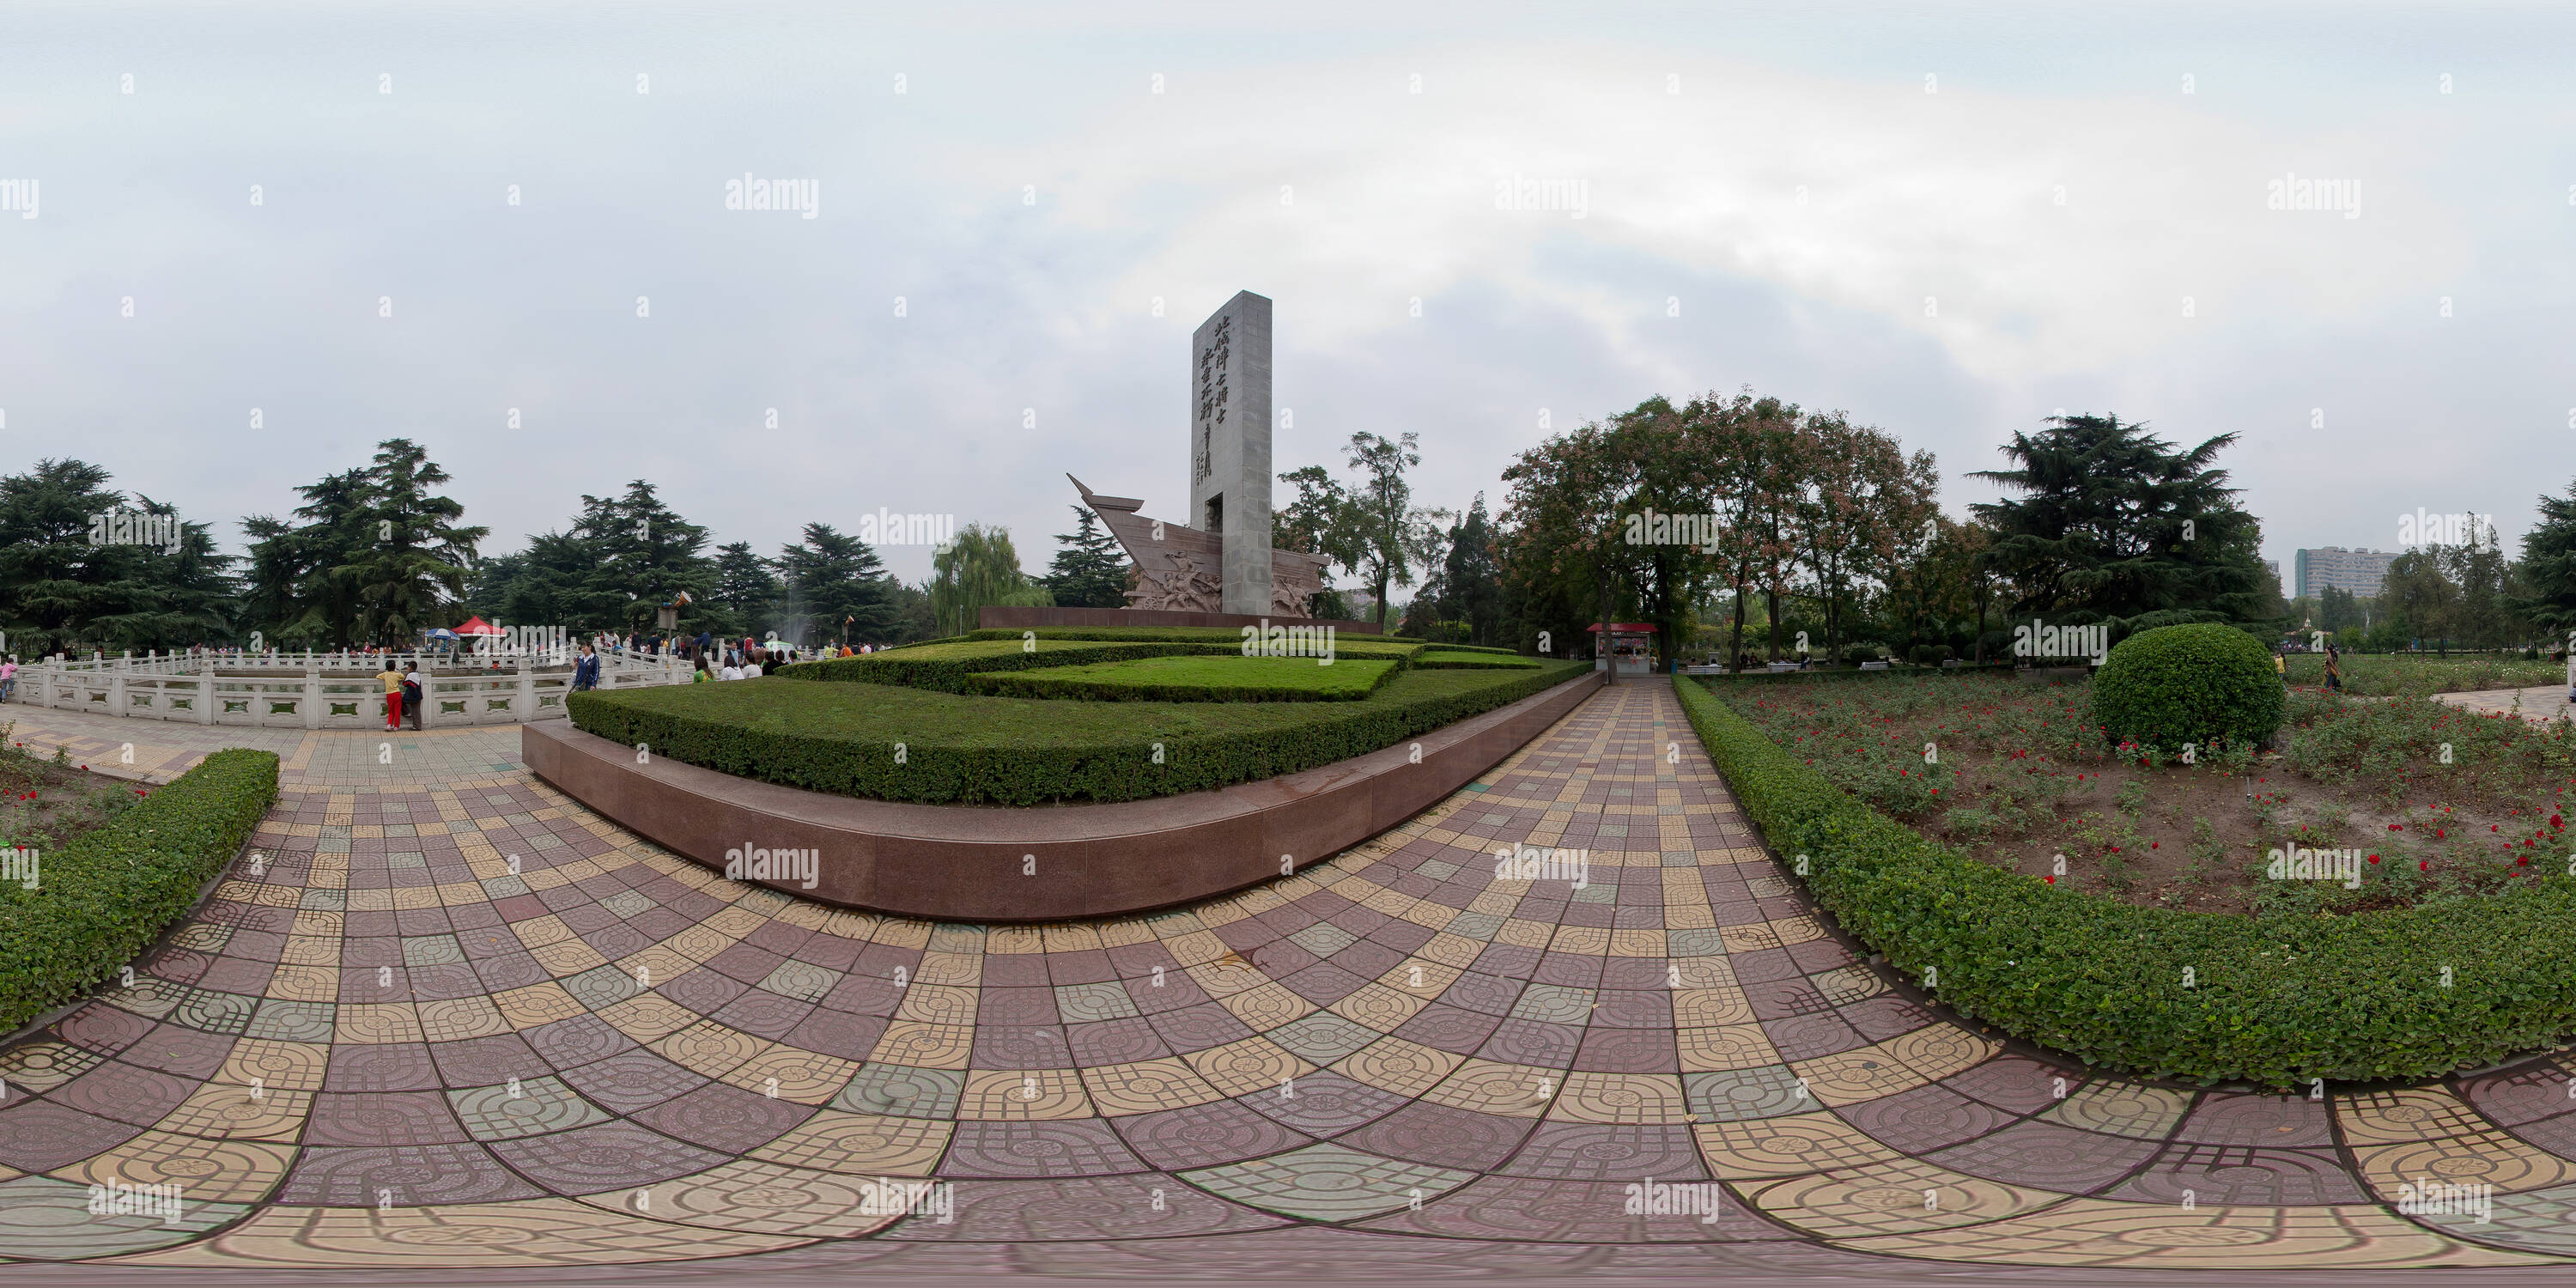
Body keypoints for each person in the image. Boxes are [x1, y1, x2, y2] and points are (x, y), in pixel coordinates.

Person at [375, 659, 405, 729]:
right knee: (397, 711)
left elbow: (377, 676)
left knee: (391, 710)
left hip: (389, 694)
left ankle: (389, 724)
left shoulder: (385, 674)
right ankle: (396, 726)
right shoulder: (396, 675)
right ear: (394, 667)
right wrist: (397, 671)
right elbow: (403, 676)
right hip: (397, 693)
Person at [403, 662, 426, 731]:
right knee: (417, 711)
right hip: (418, 695)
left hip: (411, 696)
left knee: (403, 702)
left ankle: (407, 713)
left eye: (408, 667)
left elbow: (405, 684)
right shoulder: (417, 674)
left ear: (410, 667)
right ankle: (417, 726)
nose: (407, 668)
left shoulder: (409, 675)